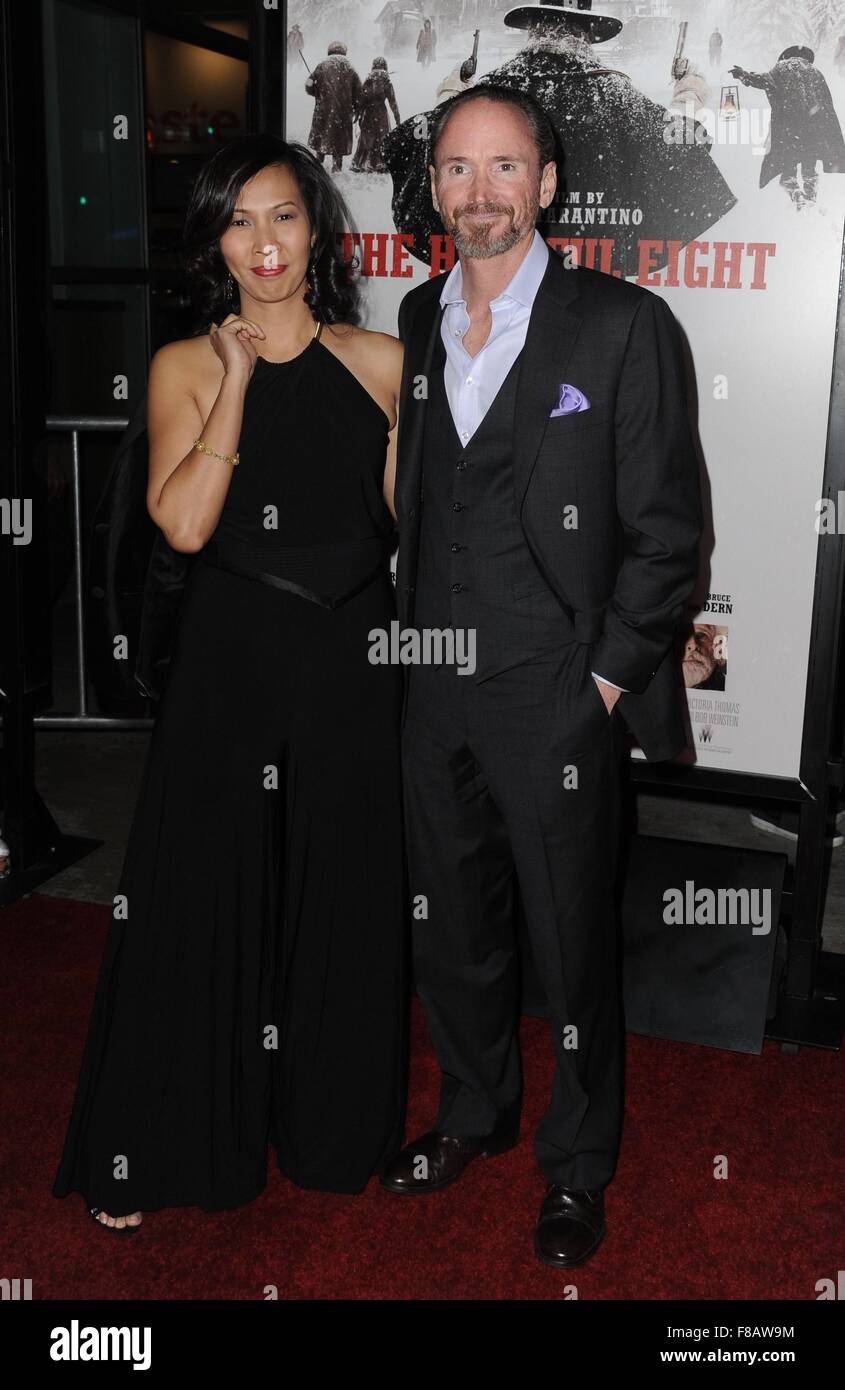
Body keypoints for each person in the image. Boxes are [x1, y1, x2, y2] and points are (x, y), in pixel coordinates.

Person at [52, 134, 408, 1230]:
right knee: (202, 900)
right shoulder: (183, 366)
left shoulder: (384, 361)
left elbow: (412, 535)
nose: (264, 243)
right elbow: (189, 522)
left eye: (284, 217)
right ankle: (159, 1145)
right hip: (230, 669)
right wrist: (242, 378)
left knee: (341, 900)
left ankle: (330, 1130)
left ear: (317, 232)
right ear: (215, 238)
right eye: (239, 220)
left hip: (352, 664)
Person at [379, 85, 702, 1269]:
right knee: (451, 925)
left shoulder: (621, 324)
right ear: (435, 188)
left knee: (568, 942)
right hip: (434, 684)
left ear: (547, 182)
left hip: (555, 690)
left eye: (502, 167)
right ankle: (474, 1107)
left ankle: (575, 1164)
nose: (477, 193)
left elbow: (668, 533)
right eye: (456, 169)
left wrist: (604, 686)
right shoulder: (415, 315)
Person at [384, 0, 737, 277]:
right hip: (596, 294)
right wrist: (687, 97)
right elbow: (683, 153)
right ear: (587, 34)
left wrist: (450, 101)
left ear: (533, 28)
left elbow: (412, 145)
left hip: (497, 290)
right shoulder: (616, 95)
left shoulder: (490, 93)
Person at [730, 46, 845, 210]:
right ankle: (810, 196)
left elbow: (764, 81)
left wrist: (743, 75)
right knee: (808, 161)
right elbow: (826, 102)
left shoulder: (782, 67)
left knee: (788, 163)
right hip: (813, 125)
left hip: (789, 127)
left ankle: (795, 192)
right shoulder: (815, 71)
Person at [305, 41, 362, 174]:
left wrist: (317, 93)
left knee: (322, 139)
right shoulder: (351, 67)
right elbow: (359, 92)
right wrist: (357, 110)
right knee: (339, 141)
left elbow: (308, 85)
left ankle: (319, 165)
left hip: (323, 110)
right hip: (343, 113)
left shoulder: (321, 65)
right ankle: (337, 168)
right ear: (344, 51)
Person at [352, 57, 401, 173]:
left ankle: (362, 163)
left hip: (368, 112)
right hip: (381, 112)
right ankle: (380, 163)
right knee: (381, 137)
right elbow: (392, 101)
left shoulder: (368, 79)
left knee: (367, 138)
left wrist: (357, 115)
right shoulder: (386, 80)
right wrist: (397, 118)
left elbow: (360, 99)